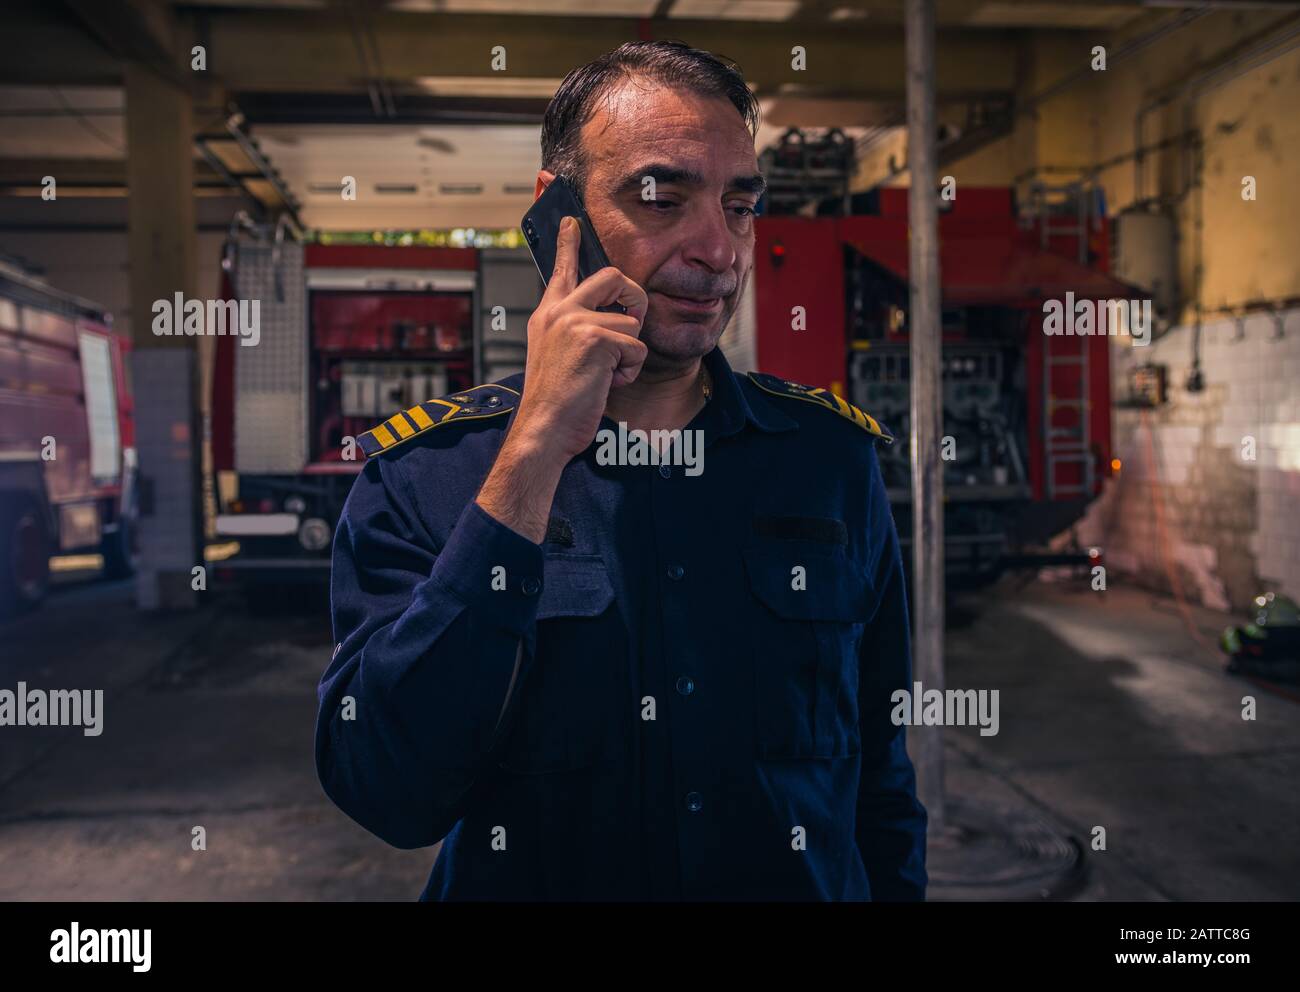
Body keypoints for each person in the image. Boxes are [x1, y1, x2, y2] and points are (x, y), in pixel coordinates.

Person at [316, 39, 927, 901]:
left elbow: (880, 776)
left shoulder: (828, 461)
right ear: (556, 212)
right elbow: (387, 789)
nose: (719, 250)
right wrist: (532, 454)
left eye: (740, 207)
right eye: (661, 198)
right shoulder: (429, 475)